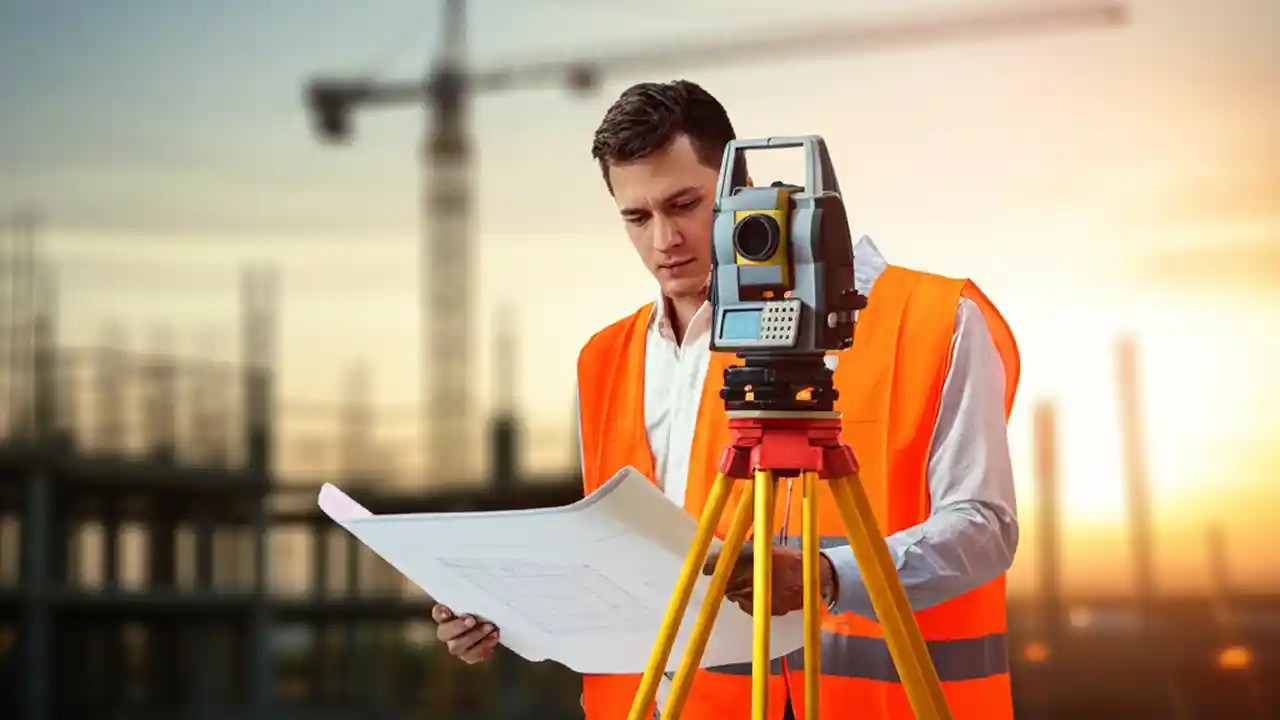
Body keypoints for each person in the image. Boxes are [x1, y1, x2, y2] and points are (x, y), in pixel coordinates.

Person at [432, 79, 1021, 719]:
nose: (664, 240)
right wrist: (507, 609)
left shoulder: (933, 320)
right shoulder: (605, 359)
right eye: (636, 217)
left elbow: (985, 528)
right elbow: (618, 560)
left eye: (684, 204)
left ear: (744, 192)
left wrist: (828, 576)